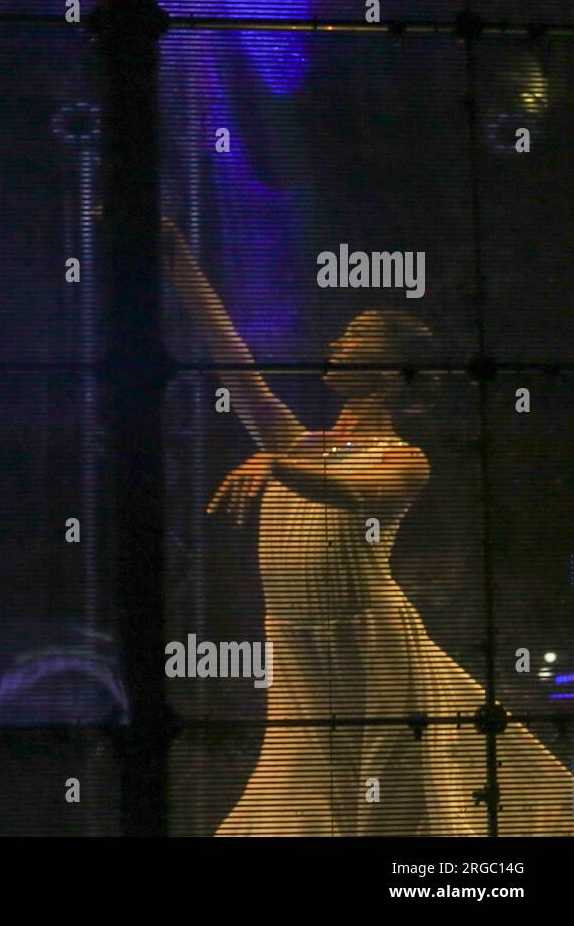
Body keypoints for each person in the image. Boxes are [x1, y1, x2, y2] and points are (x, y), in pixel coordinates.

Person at [164, 220, 573, 835]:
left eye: (357, 336)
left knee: (393, 804)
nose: (339, 340)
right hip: (298, 649)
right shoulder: (298, 443)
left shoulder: (401, 456)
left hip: (369, 644)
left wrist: (280, 464)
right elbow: (233, 361)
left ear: (390, 371)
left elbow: (358, 493)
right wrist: (178, 260)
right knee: (291, 803)